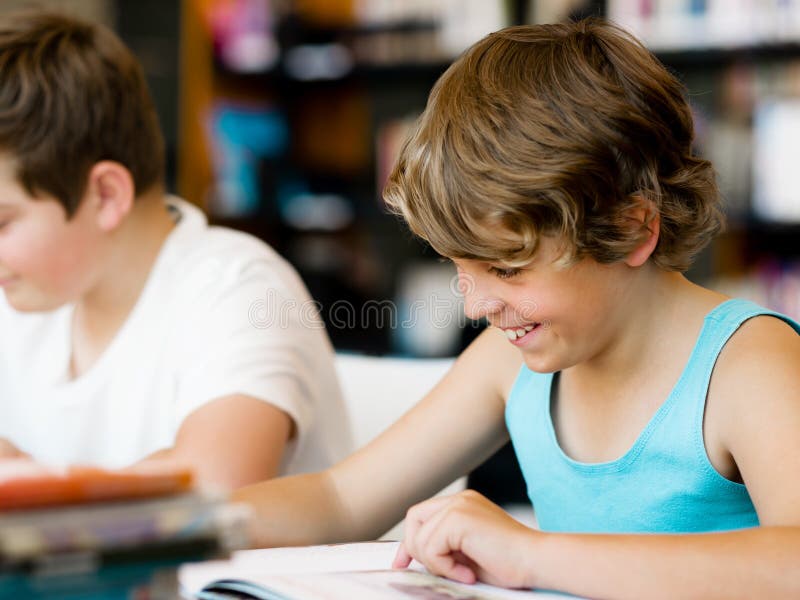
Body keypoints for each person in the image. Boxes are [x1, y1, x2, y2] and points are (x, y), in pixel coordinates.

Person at [232, 18, 800, 598]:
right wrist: (174, 525)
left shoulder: (749, 364)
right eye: (460, 269)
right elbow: (340, 498)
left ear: (631, 230)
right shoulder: (508, 365)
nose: (477, 305)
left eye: (506, 269)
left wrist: (533, 556)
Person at [0, 11, 351, 491]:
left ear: (105, 195)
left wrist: (28, 481)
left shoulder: (242, 292)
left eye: (2, 221)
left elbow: (209, 491)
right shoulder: (27, 297)